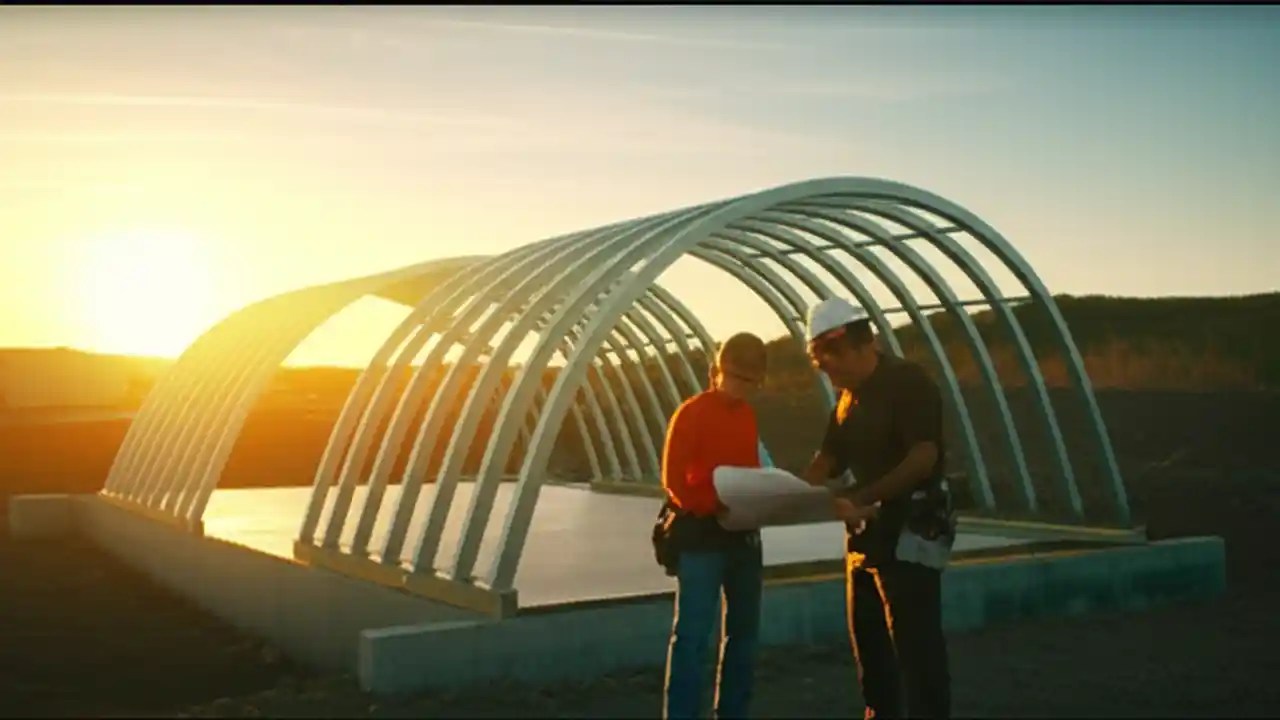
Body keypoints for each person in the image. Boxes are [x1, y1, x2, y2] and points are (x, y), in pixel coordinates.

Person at [803, 297, 956, 720]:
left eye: (827, 361)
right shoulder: (847, 400)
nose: (826, 372)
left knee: (914, 642)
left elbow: (923, 456)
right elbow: (829, 458)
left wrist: (863, 497)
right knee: (869, 640)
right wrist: (785, 494)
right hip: (868, 531)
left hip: (913, 527)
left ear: (857, 345)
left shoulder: (908, 382)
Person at [661, 332, 769, 720]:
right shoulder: (691, 414)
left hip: (743, 537)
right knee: (691, 637)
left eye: (751, 382)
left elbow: (750, 472)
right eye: (737, 377)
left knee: (743, 636)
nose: (742, 388)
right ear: (717, 372)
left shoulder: (747, 416)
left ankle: (733, 711)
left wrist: (761, 500)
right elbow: (674, 483)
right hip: (702, 537)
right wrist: (715, 506)